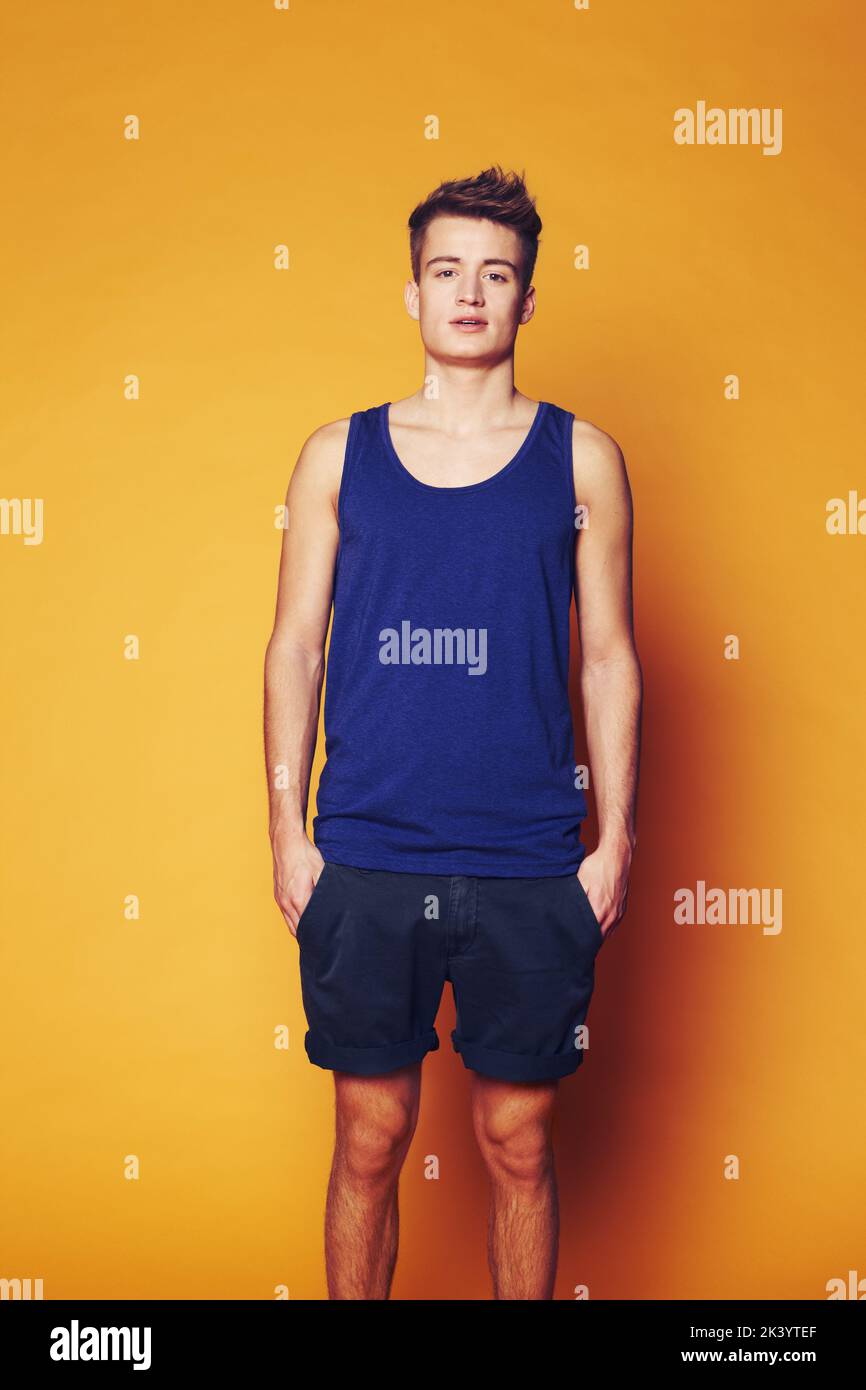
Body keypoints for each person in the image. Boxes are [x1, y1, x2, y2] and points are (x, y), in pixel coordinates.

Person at [263, 165, 642, 1300]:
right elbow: (294, 647)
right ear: (412, 294)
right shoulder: (338, 455)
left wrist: (612, 841)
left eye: (495, 274)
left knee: (517, 1145)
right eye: (446, 272)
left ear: (527, 298)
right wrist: (287, 831)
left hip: (528, 858)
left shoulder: (582, 461)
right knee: (368, 1140)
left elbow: (610, 654)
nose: (469, 294)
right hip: (369, 850)